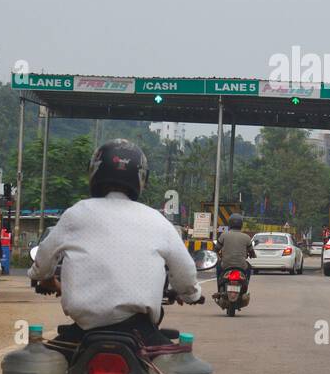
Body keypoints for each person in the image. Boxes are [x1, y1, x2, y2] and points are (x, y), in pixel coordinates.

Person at [29, 139, 202, 345]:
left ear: (95, 171)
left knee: (44, 364)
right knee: (176, 371)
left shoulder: (77, 213)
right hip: (140, 332)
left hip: (83, 332)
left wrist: (45, 278)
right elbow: (185, 272)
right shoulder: (157, 220)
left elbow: (43, 262)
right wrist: (191, 294)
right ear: (141, 178)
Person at [215, 212, 255, 292]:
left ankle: (219, 289)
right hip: (242, 266)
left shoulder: (223, 235)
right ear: (241, 224)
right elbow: (251, 251)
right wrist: (252, 255)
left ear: (230, 223)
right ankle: (245, 287)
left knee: (218, 267)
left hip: (225, 265)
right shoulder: (246, 237)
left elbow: (216, 248)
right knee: (249, 268)